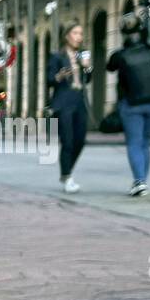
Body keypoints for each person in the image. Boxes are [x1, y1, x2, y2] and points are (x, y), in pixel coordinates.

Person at [106, 12, 150, 197]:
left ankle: (139, 181)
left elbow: (109, 67)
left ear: (124, 33)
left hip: (131, 106)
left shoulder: (120, 55)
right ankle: (142, 181)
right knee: (145, 144)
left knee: (134, 143)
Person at [47, 20, 91, 193]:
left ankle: (66, 172)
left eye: (80, 33)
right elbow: (49, 79)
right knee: (68, 141)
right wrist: (59, 76)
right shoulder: (57, 56)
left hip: (79, 100)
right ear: (66, 36)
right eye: (75, 33)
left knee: (80, 140)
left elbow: (89, 79)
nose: (78, 37)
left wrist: (87, 68)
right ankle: (67, 176)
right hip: (63, 101)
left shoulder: (82, 55)